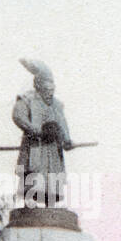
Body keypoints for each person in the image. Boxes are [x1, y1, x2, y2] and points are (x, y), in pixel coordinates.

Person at [13, 58, 73, 207]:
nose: (50, 92)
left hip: (53, 147)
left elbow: (63, 123)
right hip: (35, 144)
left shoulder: (57, 105)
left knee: (52, 175)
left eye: (52, 89)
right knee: (33, 171)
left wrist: (66, 139)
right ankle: (30, 200)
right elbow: (18, 116)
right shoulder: (27, 99)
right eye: (47, 88)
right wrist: (36, 130)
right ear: (38, 86)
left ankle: (51, 203)